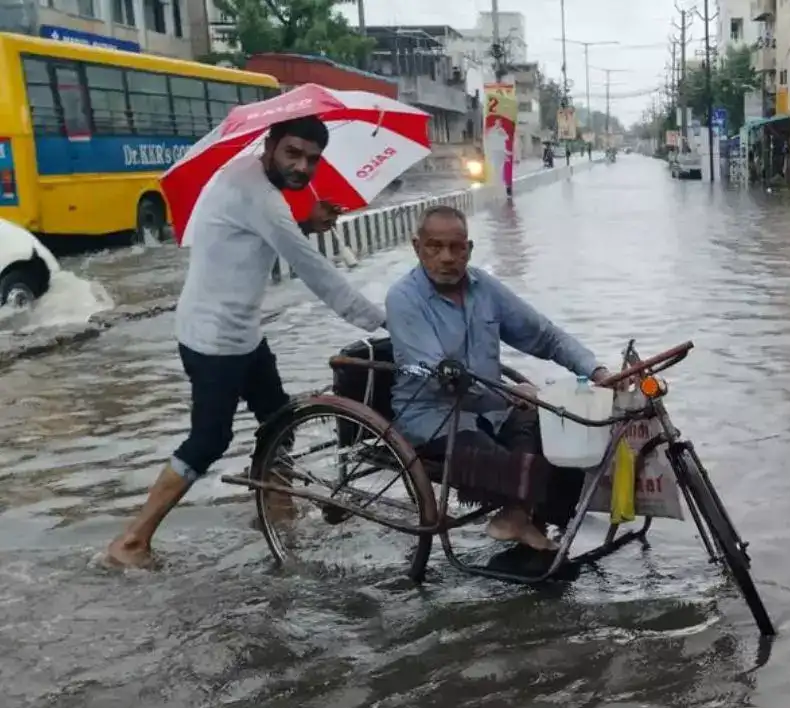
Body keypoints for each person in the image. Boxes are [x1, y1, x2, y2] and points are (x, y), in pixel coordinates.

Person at [106, 116, 387, 568]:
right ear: (270, 145)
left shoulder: (251, 183)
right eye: (292, 153)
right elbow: (316, 273)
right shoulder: (262, 198)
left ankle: (276, 506)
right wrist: (382, 321)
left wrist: (304, 220)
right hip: (214, 339)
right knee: (209, 440)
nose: (302, 167)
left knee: (278, 416)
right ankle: (132, 541)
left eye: (312, 159)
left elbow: (263, 228)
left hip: (241, 332)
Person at [385, 206, 611, 551]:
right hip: (433, 417)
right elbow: (441, 376)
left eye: (456, 247)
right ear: (417, 248)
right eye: (434, 247)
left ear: (469, 249)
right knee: (502, 461)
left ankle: (522, 517)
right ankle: (518, 517)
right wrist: (509, 393)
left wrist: (596, 371)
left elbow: (544, 335)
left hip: (491, 409)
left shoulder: (483, 288)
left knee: (559, 427)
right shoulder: (403, 299)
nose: (446, 257)